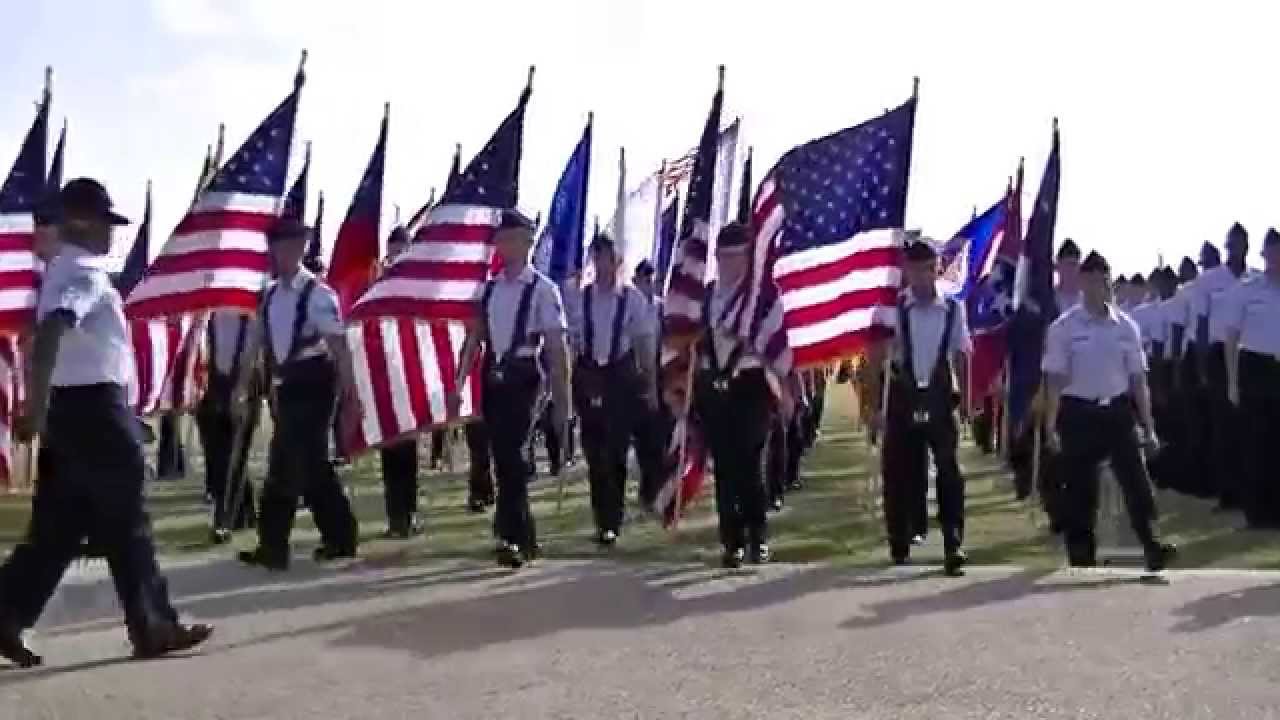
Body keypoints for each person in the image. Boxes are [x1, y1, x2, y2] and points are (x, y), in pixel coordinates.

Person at [0, 178, 212, 667]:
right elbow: (53, 329)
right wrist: (34, 405)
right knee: (128, 524)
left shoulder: (57, 269)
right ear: (82, 222)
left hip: (72, 412)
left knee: (56, 531)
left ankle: (4, 614)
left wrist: (42, 404)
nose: (112, 236)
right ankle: (153, 625)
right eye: (106, 224)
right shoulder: (87, 272)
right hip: (94, 412)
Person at [236, 217, 360, 571]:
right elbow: (258, 344)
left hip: (314, 380)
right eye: (281, 246)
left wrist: (350, 393)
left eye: (295, 245)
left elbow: (338, 346)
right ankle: (337, 536)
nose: (287, 253)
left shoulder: (318, 294)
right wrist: (246, 386)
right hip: (286, 383)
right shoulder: (270, 295)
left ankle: (275, 545)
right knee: (309, 465)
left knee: (287, 463)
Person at [450, 208, 570, 569]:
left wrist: (563, 395)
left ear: (528, 242)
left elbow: (555, 345)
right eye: (502, 240)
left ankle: (510, 536)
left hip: (524, 372)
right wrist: (459, 381)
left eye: (514, 239)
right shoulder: (490, 290)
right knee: (501, 455)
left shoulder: (543, 290)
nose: (507, 246)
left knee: (513, 453)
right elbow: (475, 337)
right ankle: (523, 535)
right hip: (494, 372)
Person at [1041, 250, 1176, 571]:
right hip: (1078, 413)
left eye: (1104, 280)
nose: (1099, 287)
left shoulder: (1126, 327)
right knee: (1080, 490)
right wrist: (1050, 426)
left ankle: (1151, 543)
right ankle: (1081, 556)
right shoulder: (1064, 327)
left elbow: (1138, 380)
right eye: (1092, 280)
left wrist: (1149, 426)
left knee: (1136, 480)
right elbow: (1055, 381)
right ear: (1082, 283)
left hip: (1116, 411)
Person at [685, 222, 789, 569]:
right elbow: (691, 343)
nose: (731, 264)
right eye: (725, 257)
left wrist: (787, 388)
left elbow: (777, 346)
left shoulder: (760, 299)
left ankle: (757, 536)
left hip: (751, 386)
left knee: (750, 464)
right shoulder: (707, 296)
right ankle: (732, 541)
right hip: (714, 389)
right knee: (725, 468)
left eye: (738, 257)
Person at [870, 239, 971, 575]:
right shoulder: (893, 309)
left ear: (936, 269)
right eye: (912, 269)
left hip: (940, 395)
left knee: (948, 471)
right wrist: (874, 407)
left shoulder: (954, 309)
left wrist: (967, 400)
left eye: (925, 269)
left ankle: (953, 541)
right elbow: (876, 357)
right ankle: (899, 537)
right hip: (903, 394)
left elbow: (960, 353)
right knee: (899, 470)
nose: (919, 276)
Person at [569, 232, 656, 545]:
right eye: (598, 257)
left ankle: (612, 519)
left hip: (620, 376)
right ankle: (600, 517)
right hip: (589, 374)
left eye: (609, 258)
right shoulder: (581, 298)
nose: (603, 265)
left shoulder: (632, 299)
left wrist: (650, 383)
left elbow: (644, 343)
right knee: (594, 452)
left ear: (618, 261)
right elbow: (572, 341)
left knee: (616, 451)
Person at [1196, 224, 1257, 511]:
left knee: (1251, 425)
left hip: (1251, 355)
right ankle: (1227, 494)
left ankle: (1251, 490)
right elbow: (1202, 323)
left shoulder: (1256, 279)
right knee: (1223, 427)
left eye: (1241, 244)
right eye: (1232, 244)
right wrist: (1202, 366)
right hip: (1219, 354)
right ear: (1226, 247)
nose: (1237, 249)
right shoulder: (1210, 281)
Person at [1224, 228, 1280, 529]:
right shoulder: (1247, 290)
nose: (1276, 259)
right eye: (1271, 253)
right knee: (1256, 442)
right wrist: (1233, 382)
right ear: (1263, 255)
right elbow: (1231, 339)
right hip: (1255, 368)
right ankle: (1258, 513)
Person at [197, 309, 263, 544]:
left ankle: (223, 521)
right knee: (216, 455)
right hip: (213, 388)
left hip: (243, 387)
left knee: (233, 455)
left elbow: (251, 354)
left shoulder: (251, 315)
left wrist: (240, 389)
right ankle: (247, 512)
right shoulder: (210, 315)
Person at [377, 227, 424, 538]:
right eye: (394, 250)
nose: (397, 255)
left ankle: (408, 513)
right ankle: (394, 514)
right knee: (388, 450)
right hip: (383, 375)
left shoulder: (418, 287)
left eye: (402, 249)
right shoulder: (378, 287)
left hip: (410, 375)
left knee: (407, 449)